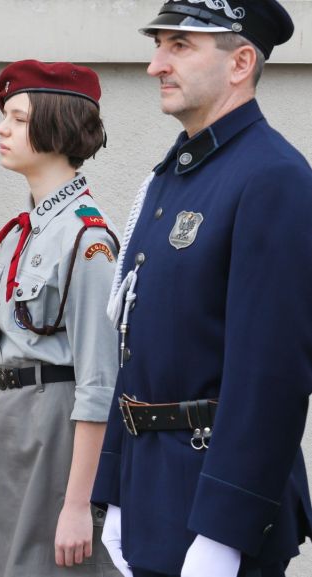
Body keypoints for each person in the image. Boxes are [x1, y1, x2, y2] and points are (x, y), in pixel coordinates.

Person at [92, 2, 312, 577]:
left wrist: (224, 533)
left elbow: (272, 375)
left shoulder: (273, 178)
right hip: (152, 495)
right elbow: (132, 347)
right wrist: (113, 490)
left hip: (211, 501)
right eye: (158, 44)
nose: (155, 65)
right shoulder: (172, 179)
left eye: (180, 46)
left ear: (240, 62)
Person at [0, 59, 119, 576]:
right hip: (17, 418)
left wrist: (79, 504)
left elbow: (99, 381)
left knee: (55, 568)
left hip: (58, 422)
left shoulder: (87, 239)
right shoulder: (31, 229)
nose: (2, 128)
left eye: (17, 118)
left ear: (56, 127)